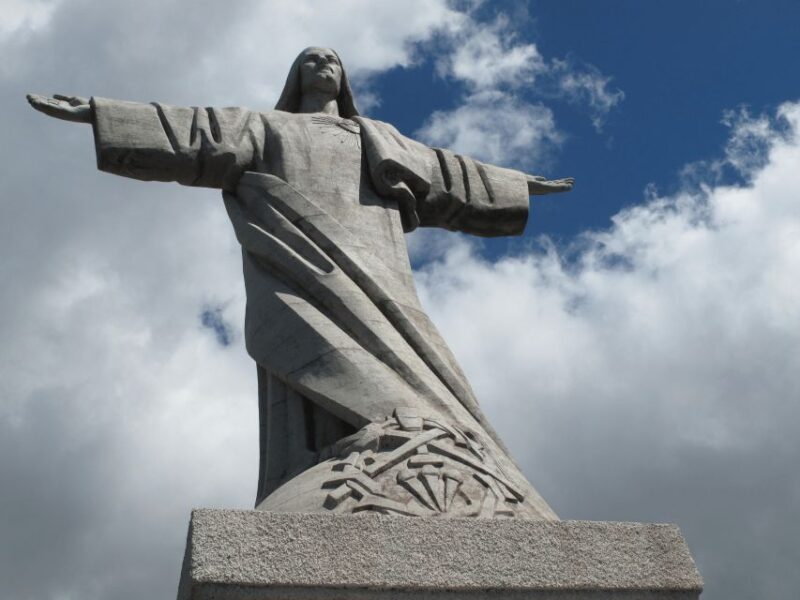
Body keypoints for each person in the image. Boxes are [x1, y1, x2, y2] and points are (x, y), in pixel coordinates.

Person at [28, 47, 573, 518]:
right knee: (311, 349)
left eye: (332, 58)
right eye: (311, 58)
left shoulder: (378, 138)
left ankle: (420, 441)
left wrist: (515, 183)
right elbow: (196, 131)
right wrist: (102, 115)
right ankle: (324, 460)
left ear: (345, 79)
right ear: (296, 76)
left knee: (404, 342)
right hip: (294, 257)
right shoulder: (266, 127)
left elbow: (447, 173)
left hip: (375, 256)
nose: (323, 63)